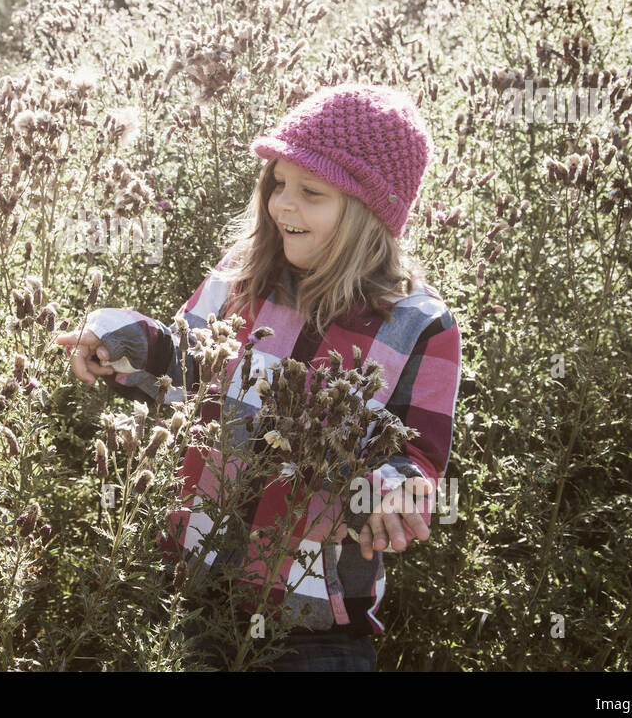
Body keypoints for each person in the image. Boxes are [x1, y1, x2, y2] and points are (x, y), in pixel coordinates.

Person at [56, 83, 462, 672]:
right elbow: (184, 371)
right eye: (277, 183)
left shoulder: (419, 325)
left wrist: (391, 493)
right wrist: (130, 344)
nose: (282, 206)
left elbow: (419, 456)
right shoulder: (239, 280)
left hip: (310, 624)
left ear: (372, 213)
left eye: (311, 192)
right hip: (185, 588)